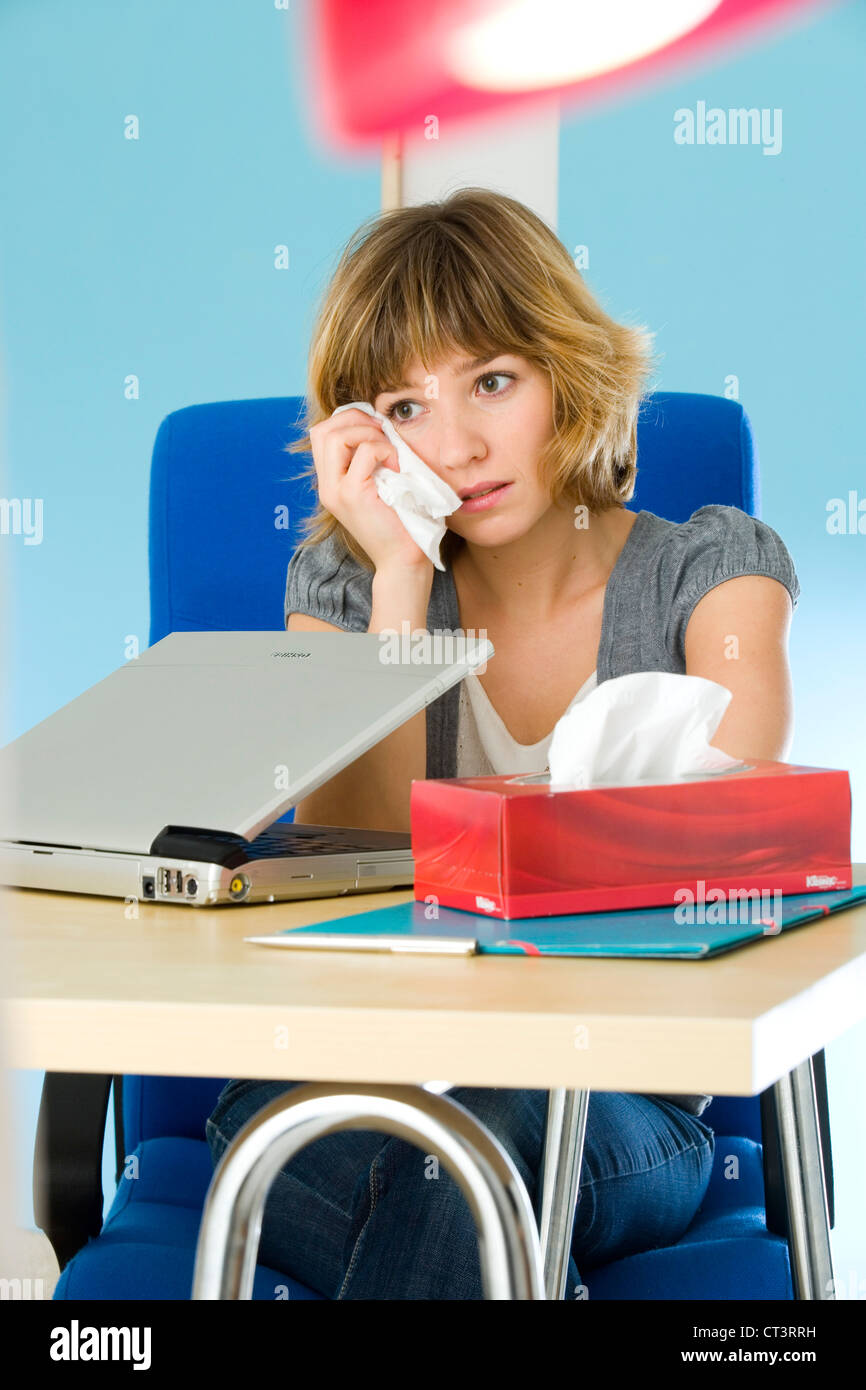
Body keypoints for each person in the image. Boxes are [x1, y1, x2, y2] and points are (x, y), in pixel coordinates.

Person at [206, 188, 800, 1300]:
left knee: (468, 1158)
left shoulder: (709, 572)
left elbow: (735, 827)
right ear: (367, 437)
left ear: (563, 373)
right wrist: (398, 577)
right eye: (404, 406)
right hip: (342, 1081)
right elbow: (364, 863)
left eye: (491, 380)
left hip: (605, 1097)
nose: (460, 445)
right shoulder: (346, 583)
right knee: (451, 1183)